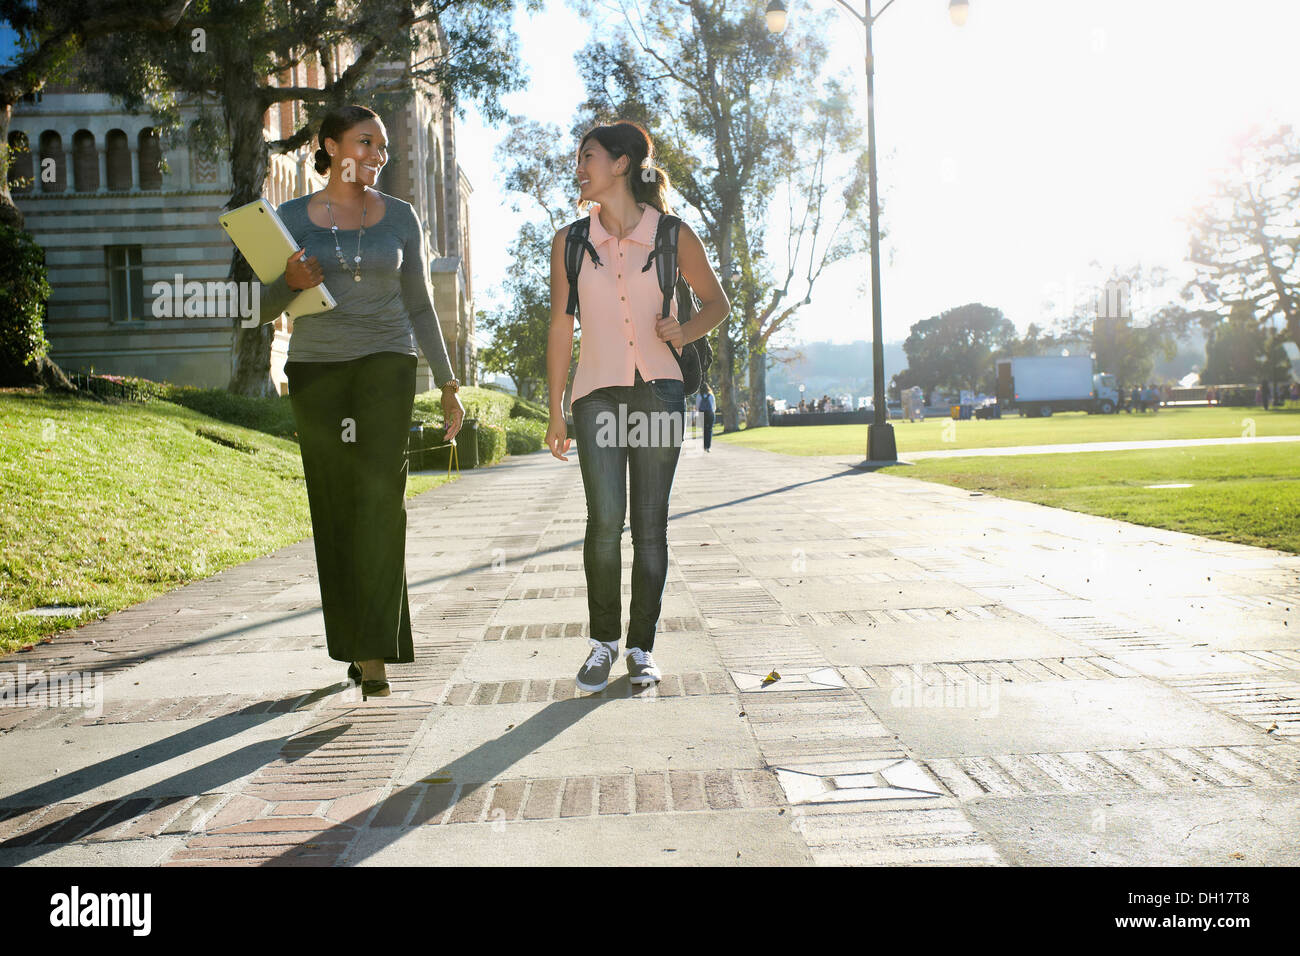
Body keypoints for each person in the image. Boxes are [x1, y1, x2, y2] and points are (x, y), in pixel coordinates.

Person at [255, 105, 465, 701]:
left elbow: (421, 304)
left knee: (380, 502)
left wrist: (447, 383)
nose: (378, 154)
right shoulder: (290, 218)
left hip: (386, 365)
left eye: (383, 146)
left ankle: (373, 652)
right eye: (366, 143)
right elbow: (259, 310)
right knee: (334, 508)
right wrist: (288, 285)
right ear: (330, 146)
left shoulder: (400, 217)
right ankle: (350, 640)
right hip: (318, 372)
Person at [545, 120, 730, 693]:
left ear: (621, 164)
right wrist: (554, 409)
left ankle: (641, 647)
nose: (579, 167)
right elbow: (560, 325)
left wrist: (683, 328)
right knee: (604, 523)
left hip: (658, 391)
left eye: (588, 156)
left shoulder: (673, 235)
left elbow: (718, 304)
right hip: (595, 393)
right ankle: (603, 643)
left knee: (649, 525)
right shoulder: (570, 242)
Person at [697, 382, 716, 452]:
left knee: (704, 430)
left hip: (702, 414)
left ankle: (704, 446)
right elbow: (714, 406)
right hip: (710, 414)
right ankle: (708, 446)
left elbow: (697, 406)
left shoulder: (699, 396)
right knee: (709, 430)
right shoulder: (711, 395)